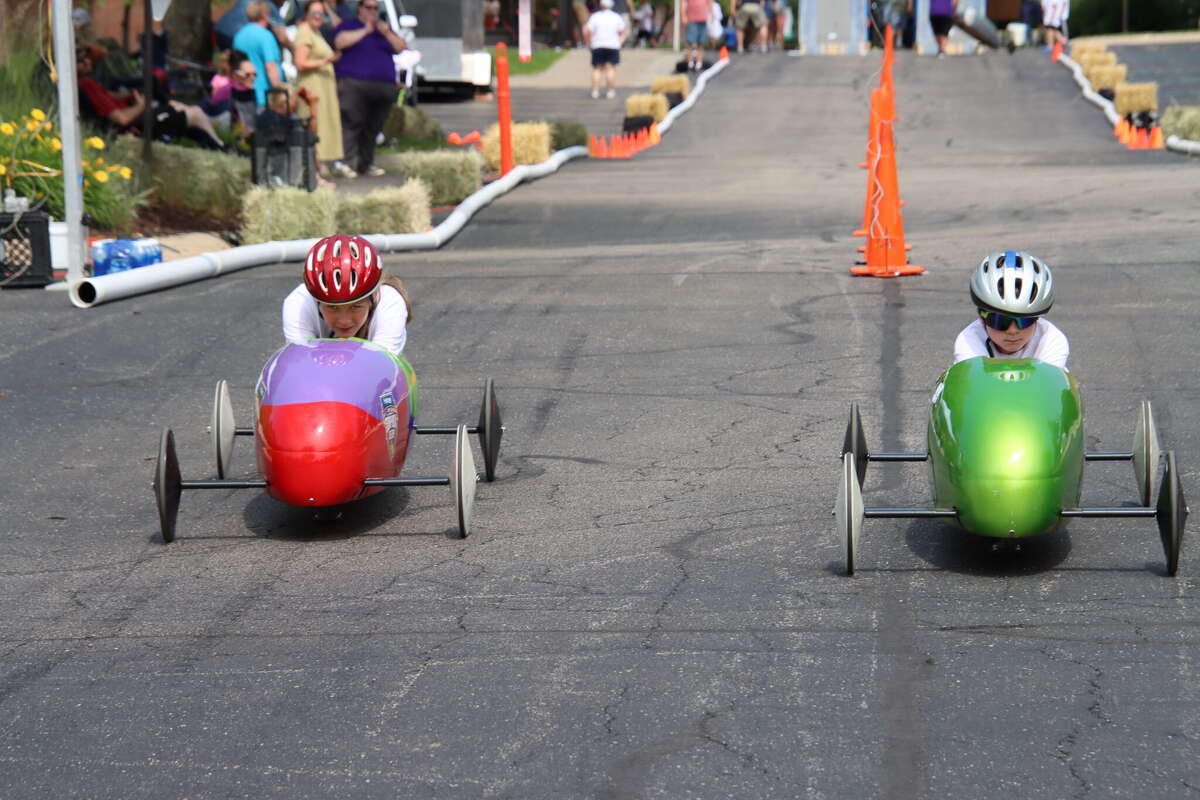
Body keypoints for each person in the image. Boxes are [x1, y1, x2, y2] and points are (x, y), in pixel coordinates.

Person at [282, 234, 413, 356]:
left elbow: (381, 367)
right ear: (317, 301)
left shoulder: (390, 303)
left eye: (356, 307)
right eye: (332, 307)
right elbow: (301, 362)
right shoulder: (298, 303)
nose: (344, 321)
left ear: (372, 297)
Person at [75, 46, 227, 150]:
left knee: (188, 112)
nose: (88, 61)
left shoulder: (86, 84)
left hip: (138, 120)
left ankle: (217, 146)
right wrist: (141, 105)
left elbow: (106, 96)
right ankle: (221, 148)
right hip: (134, 128)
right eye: (82, 60)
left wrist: (129, 96)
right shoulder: (87, 84)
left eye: (87, 58)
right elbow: (121, 119)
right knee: (194, 113)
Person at [953, 250, 1068, 369]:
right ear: (982, 318)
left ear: (1037, 318)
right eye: (1000, 321)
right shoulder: (969, 342)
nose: (1012, 331)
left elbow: (1048, 384)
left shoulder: (1052, 340)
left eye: (1024, 321)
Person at [333, 0, 408, 177]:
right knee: (352, 122)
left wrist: (387, 32)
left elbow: (400, 47)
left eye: (376, 8)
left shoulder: (384, 31)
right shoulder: (349, 25)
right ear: (360, 8)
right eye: (369, 7)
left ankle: (366, 163)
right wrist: (364, 31)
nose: (373, 11)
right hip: (354, 83)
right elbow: (339, 42)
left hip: (383, 85)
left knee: (373, 126)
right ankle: (347, 162)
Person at [294, 0, 354, 180]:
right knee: (314, 127)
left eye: (322, 14)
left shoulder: (316, 32)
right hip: (312, 88)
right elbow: (300, 63)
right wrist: (324, 61)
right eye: (314, 13)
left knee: (324, 127)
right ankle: (314, 173)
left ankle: (320, 169)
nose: (318, 17)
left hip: (323, 86)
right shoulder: (304, 32)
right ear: (306, 14)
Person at [232, 1, 287, 107]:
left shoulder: (238, 36)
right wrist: (279, 92)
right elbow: (271, 67)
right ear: (265, 16)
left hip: (244, 94)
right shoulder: (266, 36)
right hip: (264, 96)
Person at [585, 0, 626, 100]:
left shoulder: (595, 16)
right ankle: (610, 91)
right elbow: (623, 32)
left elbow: (587, 31)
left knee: (597, 69)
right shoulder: (616, 17)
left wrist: (589, 43)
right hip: (612, 45)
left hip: (598, 45)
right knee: (610, 68)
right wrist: (619, 43)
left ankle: (595, 91)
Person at [684, 0, 710, 70]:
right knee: (690, 41)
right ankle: (690, 62)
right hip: (692, 19)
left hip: (703, 19)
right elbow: (683, 3)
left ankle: (699, 62)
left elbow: (709, 2)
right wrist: (683, 16)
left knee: (701, 42)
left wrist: (710, 15)